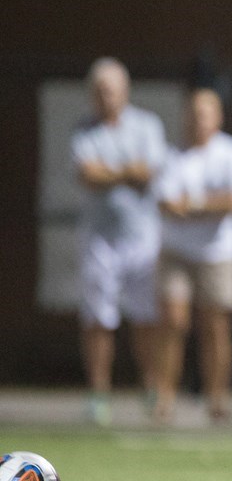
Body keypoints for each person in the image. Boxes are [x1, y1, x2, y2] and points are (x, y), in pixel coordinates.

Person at [71, 57, 167, 426]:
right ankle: (98, 393)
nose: (104, 97)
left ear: (124, 92)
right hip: (99, 239)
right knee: (98, 319)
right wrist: (126, 171)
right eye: (97, 91)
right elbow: (87, 174)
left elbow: (148, 173)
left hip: (142, 238)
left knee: (145, 318)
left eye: (109, 90)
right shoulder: (84, 130)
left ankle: (150, 387)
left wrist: (114, 172)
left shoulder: (146, 126)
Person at [153, 88, 232, 424]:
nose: (198, 121)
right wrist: (214, 203)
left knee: (215, 326)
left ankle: (217, 400)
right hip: (177, 252)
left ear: (218, 117)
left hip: (219, 252)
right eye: (193, 114)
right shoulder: (172, 155)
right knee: (173, 321)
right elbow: (167, 204)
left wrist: (194, 204)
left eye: (205, 114)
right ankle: (164, 399)